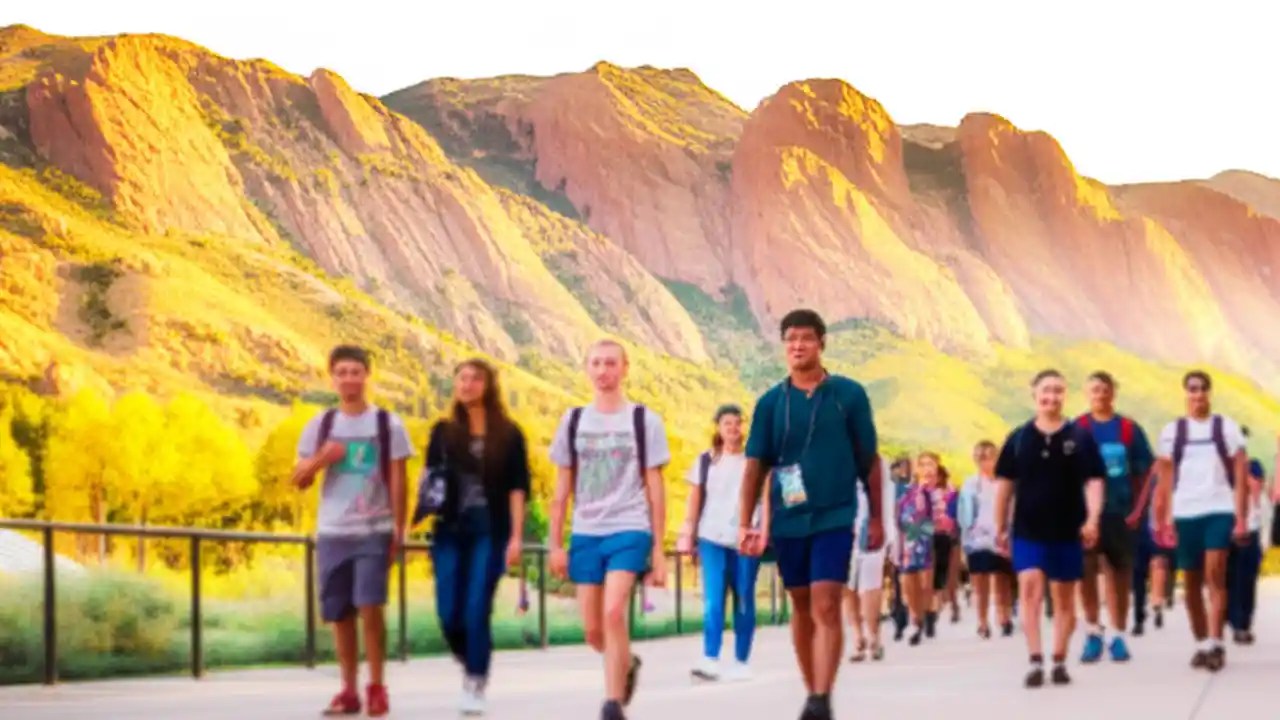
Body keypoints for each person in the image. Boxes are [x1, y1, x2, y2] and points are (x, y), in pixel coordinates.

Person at [738, 309, 880, 720]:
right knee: (800, 602)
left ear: (822, 343)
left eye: (806, 338)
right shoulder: (770, 403)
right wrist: (746, 522)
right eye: (790, 339)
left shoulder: (848, 395)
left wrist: (876, 519)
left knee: (826, 601)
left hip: (836, 514)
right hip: (789, 518)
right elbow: (755, 467)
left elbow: (868, 460)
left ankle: (821, 696)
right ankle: (811, 687)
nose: (798, 345)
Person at [547, 339, 669, 720]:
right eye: (596, 363)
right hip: (585, 532)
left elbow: (656, 487)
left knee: (614, 611)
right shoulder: (573, 421)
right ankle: (627, 662)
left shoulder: (643, 420)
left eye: (611, 363)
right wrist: (555, 543)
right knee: (593, 631)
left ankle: (612, 703)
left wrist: (660, 550)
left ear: (625, 368)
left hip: (629, 527)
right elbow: (561, 489)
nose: (604, 371)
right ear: (587, 369)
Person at [292, 345, 413, 717]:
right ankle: (348, 691)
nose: (349, 379)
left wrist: (399, 529)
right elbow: (297, 480)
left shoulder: (387, 425)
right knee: (340, 613)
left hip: (374, 529)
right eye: (341, 372)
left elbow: (399, 479)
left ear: (367, 375)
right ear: (332, 377)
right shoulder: (321, 425)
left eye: (355, 371)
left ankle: (376, 686)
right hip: (332, 531)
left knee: (370, 606)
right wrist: (320, 459)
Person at [426, 359, 530, 716]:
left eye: (475, 379)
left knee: (476, 607)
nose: (467, 384)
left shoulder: (509, 434)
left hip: (492, 531)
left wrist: (516, 537)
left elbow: (518, 489)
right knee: (448, 612)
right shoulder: (442, 432)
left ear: (489, 386)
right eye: (462, 378)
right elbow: (430, 480)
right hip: (449, 531)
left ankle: (475, 679)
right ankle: (471, 654)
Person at [994, 368, 1104, 689]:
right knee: (1030, 589)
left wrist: (1093, 518)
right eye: (1046, 390)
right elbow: (1004, 486)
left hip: (1068, 530)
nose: (1051, 396)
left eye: (1058, 390)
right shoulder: (1018, 439)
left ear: (1064, 395)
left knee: (1064, 599)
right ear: (1034, 394)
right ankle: (1035, 659)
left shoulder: (1079, 438)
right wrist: (999, 527)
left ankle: (1058, 659)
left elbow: (1093, 482)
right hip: (1027, 530)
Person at [1153, 370, 1248, 673]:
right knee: (1191, 581)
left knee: (1215, 574)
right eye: (1192, 389)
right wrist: (1162, 518)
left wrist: (1241, 517)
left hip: (1219, 508)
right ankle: (1201, 642)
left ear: (1210, 393)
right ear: (1186, 393)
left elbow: (1242, 476)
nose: (1198, 394)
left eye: (1203, 389)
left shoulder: (1227, 428)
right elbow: (1164, 480)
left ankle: (1216, 643)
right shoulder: (1172, 432)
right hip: (1185, 512)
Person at [677, 404, 763, 682]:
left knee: (743, 599)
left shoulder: (754, 461)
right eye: (727, 423)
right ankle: (710, 657)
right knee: (714, 600)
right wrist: (688, 533)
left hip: (745, 540)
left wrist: (762, 530)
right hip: (711, 537)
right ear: (718, 427)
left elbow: (767, 499)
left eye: (737, 423)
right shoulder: (706, 461)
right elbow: (694, 499)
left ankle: (741, 660)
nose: (733, 429)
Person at [1074, 371, 1154, 664]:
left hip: (1121, 514)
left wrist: (1139, 510)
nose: (1100, 395)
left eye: (1105, 389)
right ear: (1086, 393)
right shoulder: (1078, 428)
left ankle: (1118, 634)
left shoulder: (1129, 429)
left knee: (1119, 575)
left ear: (1113, 393)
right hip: (1085, 517)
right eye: (1094, 389)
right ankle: (1093, 632)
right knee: (1085, 573)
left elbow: (1146, 473)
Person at [958, 440, 1014, 639]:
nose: (985, 462)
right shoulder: (970, 484)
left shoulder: (1005, 482)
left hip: (1001, 536)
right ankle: (982, 622)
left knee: (1002, 580)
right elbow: (964, 516)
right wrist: (965, 543)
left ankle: (1004, 616)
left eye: (989, 457)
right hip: (977, 538)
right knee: (979, 582)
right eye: (981, 458)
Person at [845, 455, 893, 662]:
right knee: (847, 588)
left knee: (870, 585)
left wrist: (889, 533)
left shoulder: (875, 461)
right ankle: (858, 636)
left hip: (871, 529)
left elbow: (887, 500)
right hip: (841, 529)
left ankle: (873, 635)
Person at [1225, 426, 1264, 645]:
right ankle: (1230, 618)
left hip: (1250, 528)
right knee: (1227, 578)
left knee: (1246, 579)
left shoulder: (1253, 466)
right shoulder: (1220, 469)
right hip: (1225, 528)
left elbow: (1256, 491)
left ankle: (1242, 624)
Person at [896, 454, 936, 646]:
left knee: (924, 583)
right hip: (906, 541)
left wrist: (926, 536)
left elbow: (932, 518)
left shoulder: (930, 491)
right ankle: (915, 621)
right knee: (909, 582)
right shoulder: (904, 492)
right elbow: (897, 517)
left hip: (924, 540)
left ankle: (926, 615)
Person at [1131, 466, 1175, 635]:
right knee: (1157, 565)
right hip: (1156, 529)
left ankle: (1140, 617)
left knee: (1141, 573)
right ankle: (1156, 603)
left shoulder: (1148, 474)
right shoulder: (1166, 474)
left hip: (1148, 528)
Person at [928, 466, 960, 635]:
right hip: (931, 535)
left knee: (950, 575)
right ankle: (934, 611)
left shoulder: (952, 492)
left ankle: (954, 605)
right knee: (934, 574)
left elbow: (957, 514)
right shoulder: (925, 492)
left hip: (950, 536)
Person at [887, 456, 913, 641]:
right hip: (891, 536)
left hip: (902, 537)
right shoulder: (890, 489)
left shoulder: (908, 489)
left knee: (899, 578)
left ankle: (900, 613)